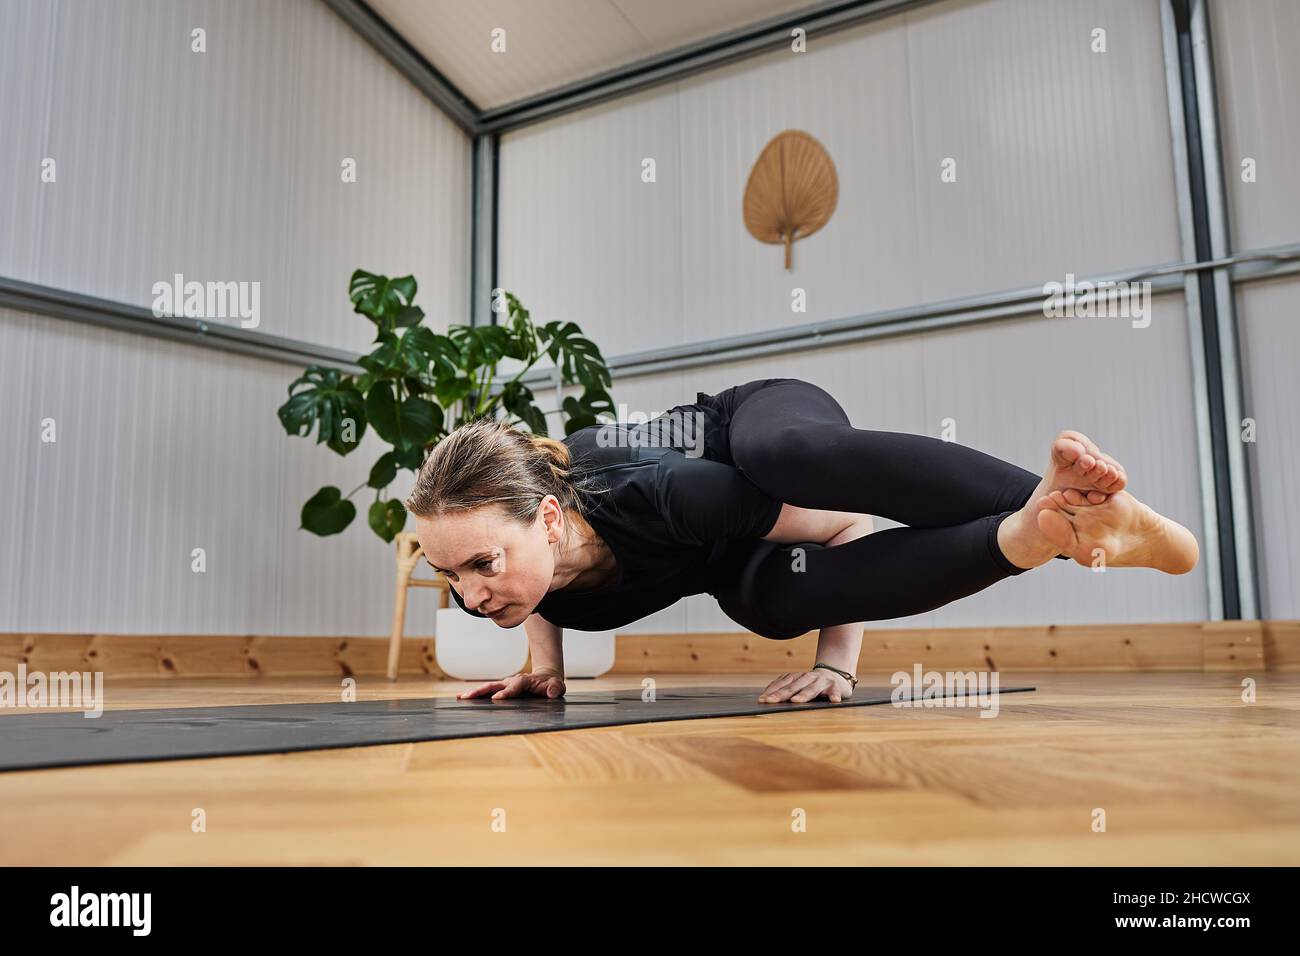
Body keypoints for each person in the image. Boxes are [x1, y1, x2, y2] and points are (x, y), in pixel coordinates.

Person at [405, 378, 1198, 705]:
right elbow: (540, 587)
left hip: (753, 428)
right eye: (453, 576)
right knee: (770, 601)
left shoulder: (663, 494)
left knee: (790, 459)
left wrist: (837, 667)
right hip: (719, 548)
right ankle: (1036, 533)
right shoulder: (520, 569)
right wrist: (541, 669)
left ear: (548, 519)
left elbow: (852, 523)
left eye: (482, 566)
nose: (473, 596)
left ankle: (1082, 512)